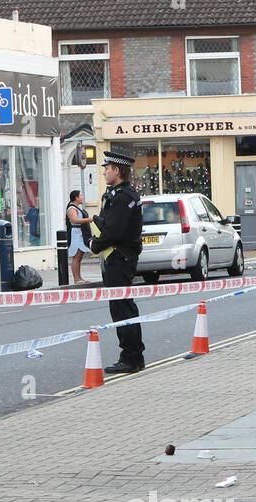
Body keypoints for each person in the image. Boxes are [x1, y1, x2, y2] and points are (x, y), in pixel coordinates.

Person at [89, 151, 145, 373]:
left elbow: (114, 231)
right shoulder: (119, 195)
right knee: (122, 306)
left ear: (118, 171)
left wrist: (95, 244)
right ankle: (132, 355)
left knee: (122, 308)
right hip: (118, 258)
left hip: (120, 258)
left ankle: (131, 357)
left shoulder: (122, 198)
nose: (104, 172)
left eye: (107, 168)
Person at [65, 189, 93, 285]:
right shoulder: (71, 208)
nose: (82, 197)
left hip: (81, 233)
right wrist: (88, 219)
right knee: (76, 256)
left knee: (80, 255)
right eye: (81, 195)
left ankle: (79, 277)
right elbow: (75, 220)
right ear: (76, 197)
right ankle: (76, 279)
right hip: (76, 234)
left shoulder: (78, 207)